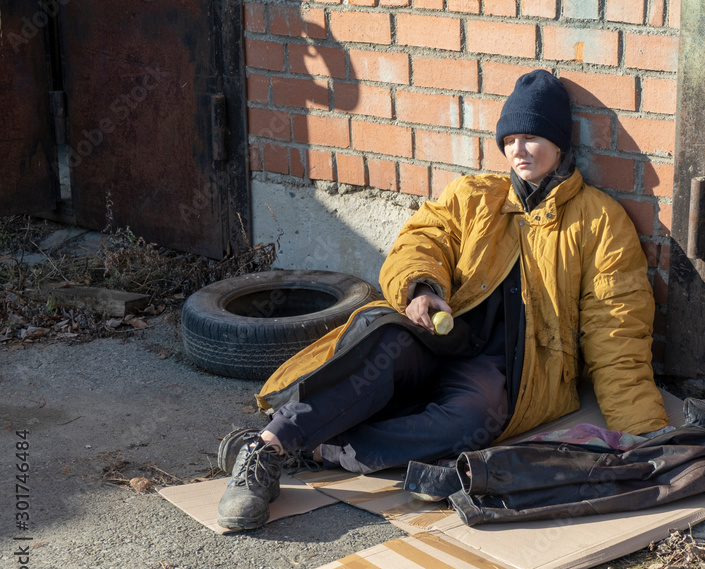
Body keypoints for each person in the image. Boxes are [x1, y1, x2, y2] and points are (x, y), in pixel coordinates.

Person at [217, 69, 670, 531]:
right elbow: (421, 242)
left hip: (504, 370)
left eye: (531, 136)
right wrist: (422, 290)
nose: (518, 150)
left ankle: (318, 447)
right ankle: (266, 449)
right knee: (376, 344)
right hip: (434, 335)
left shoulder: (600, 221)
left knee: (469, 423)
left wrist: (648, 431)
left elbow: (616, 328)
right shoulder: (473, 196)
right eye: (509, 139)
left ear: (560, 143)